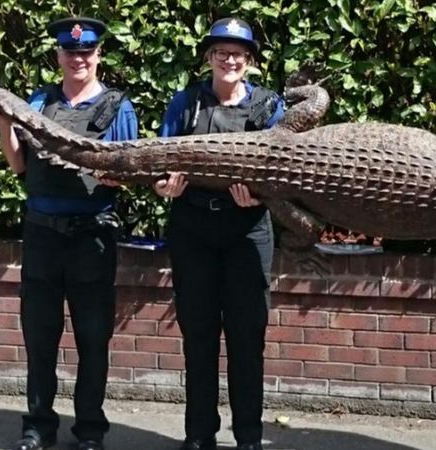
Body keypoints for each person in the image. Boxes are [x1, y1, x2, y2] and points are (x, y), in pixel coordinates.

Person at [0, 17, 138, 450]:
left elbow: (130, 173)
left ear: (98, 55)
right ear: (59, 56)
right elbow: (19, 166)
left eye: (86, 52)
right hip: (43, 235)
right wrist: (3, 123)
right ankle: (38, 428)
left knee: (92, 339)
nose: (78, 58)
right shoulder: (39, 101)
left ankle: (89, 431)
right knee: (40, 337)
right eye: (70, 52)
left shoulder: (118, 107)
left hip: (92, 236)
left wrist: (111, 177)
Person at [153, 17, 285, 450]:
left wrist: (262, 198)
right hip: (193, 228)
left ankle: (248, 437)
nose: (230, 60)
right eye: (221, 52)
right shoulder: (185, 104)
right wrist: (163, 187)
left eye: (238, 54)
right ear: (209, 57)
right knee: (199, 335)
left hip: (247, 230)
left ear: (249, 61)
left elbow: (288, 172)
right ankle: (198, 436)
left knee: (248, 338)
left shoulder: (270, 108)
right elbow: (157, 164)